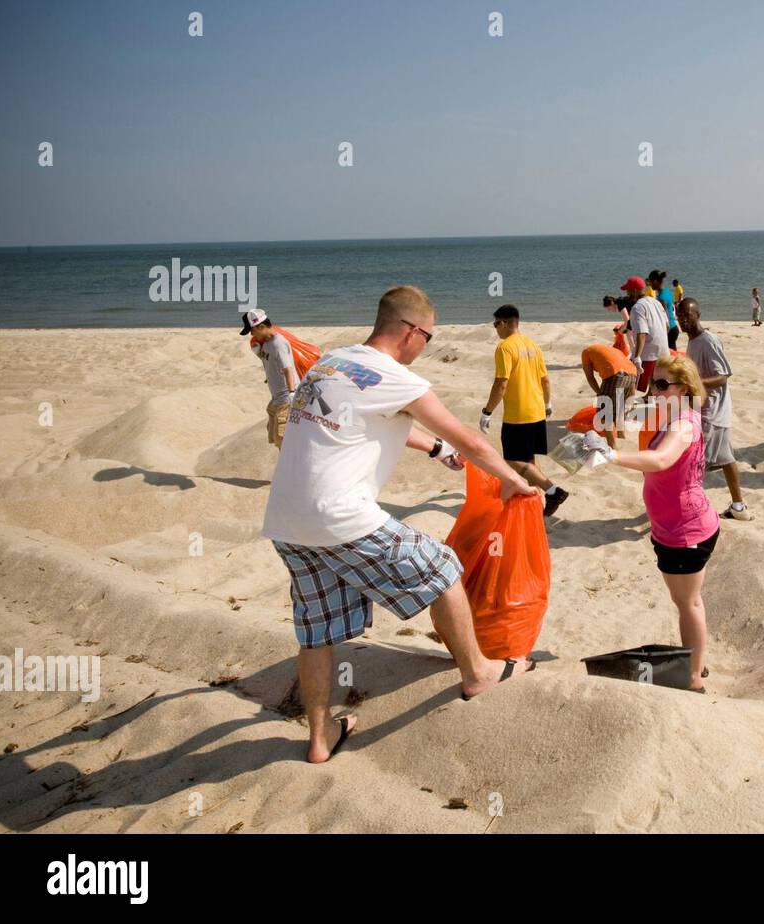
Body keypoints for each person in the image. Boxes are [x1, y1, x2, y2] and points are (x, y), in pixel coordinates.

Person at [262, 285, 539, 763]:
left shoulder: (332, 361)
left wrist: (434, 449)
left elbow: (371, 419)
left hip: (285, 521)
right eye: (428, 338)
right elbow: (472, 440)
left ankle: (319, 738)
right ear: (412, 332)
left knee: (317, 630)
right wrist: (514, 480)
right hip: (339, 516)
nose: (425, 347)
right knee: (444, 569)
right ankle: (478, 673)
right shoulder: (395, 376)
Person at [581, 354, 718, 693]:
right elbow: (636, 426)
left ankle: (694, 677)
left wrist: (610, 456)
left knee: (689, 604)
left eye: (661, 385)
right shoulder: (671, 412)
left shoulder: (684, 423)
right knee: (688, 601)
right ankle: (697, 660)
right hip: (677, 524)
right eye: (651, 382)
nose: (653, 390)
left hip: (686, 530)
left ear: (683, 388)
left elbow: (660, 459)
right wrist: (599, 429)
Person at [480, 304, 568, 517]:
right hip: (537, 409)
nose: (495, 329)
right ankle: (534, 500)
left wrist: (487, 411)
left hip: (518, 414)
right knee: (528, 461)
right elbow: (545, 380)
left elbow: (501, 383)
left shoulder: (505, 347)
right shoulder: (533, 345)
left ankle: (553, 490)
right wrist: (547, 404)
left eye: (495, 325)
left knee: (511, 461)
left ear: (504, 323)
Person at [678, 298, 751, 521]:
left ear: (698, 315)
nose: (683, 321)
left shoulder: (708, 340)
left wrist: (693, 384)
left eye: (687, 316)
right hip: (708, 411)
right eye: (680, 316)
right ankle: (739, 507)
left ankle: (692, 512)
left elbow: (723, 376)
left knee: (695, 466)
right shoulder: (692, 341)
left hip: (712, 413)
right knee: (726, 459)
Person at [241, 308, 298, 450]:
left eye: (252, 330)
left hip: (285, 398)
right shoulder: (265, 343)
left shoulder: (278, 344)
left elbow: (287, 369)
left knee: (283, 439)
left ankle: (290, 470)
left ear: (261, 327)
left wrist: (292, 393)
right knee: (274, 436)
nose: (252, 334)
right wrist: (258, 353)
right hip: (276, 399)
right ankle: (287, 468)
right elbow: (270, 363)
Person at [580, 341, 637, 448]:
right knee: (619, 410)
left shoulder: (586, 352)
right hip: (632, 375)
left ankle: (612, 446)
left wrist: (599, 393)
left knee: (605, 414)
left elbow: (590, 376)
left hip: (615, 375)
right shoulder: (614, 351)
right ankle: (622, 437)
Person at [621, 275, 669, 393]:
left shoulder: (637, 308)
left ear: (635, 290)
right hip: (663, 352)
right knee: (653, 387)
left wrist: (637, 357)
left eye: (628, 290)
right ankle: (649, 399)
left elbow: (642, 333)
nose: (627, 293)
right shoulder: (655, 302)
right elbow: (667, 326)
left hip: (648, 356)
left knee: (635, 388)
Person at [654, 269, 681, 351]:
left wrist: (663, 334)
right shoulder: (668, 292)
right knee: (673, 356)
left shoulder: (661, 298)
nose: (649, 284)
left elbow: (664, 317)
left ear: (655, 281)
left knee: (670, 358)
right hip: (674, 327)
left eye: (650, 282)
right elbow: (671, 309)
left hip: (669, 330)